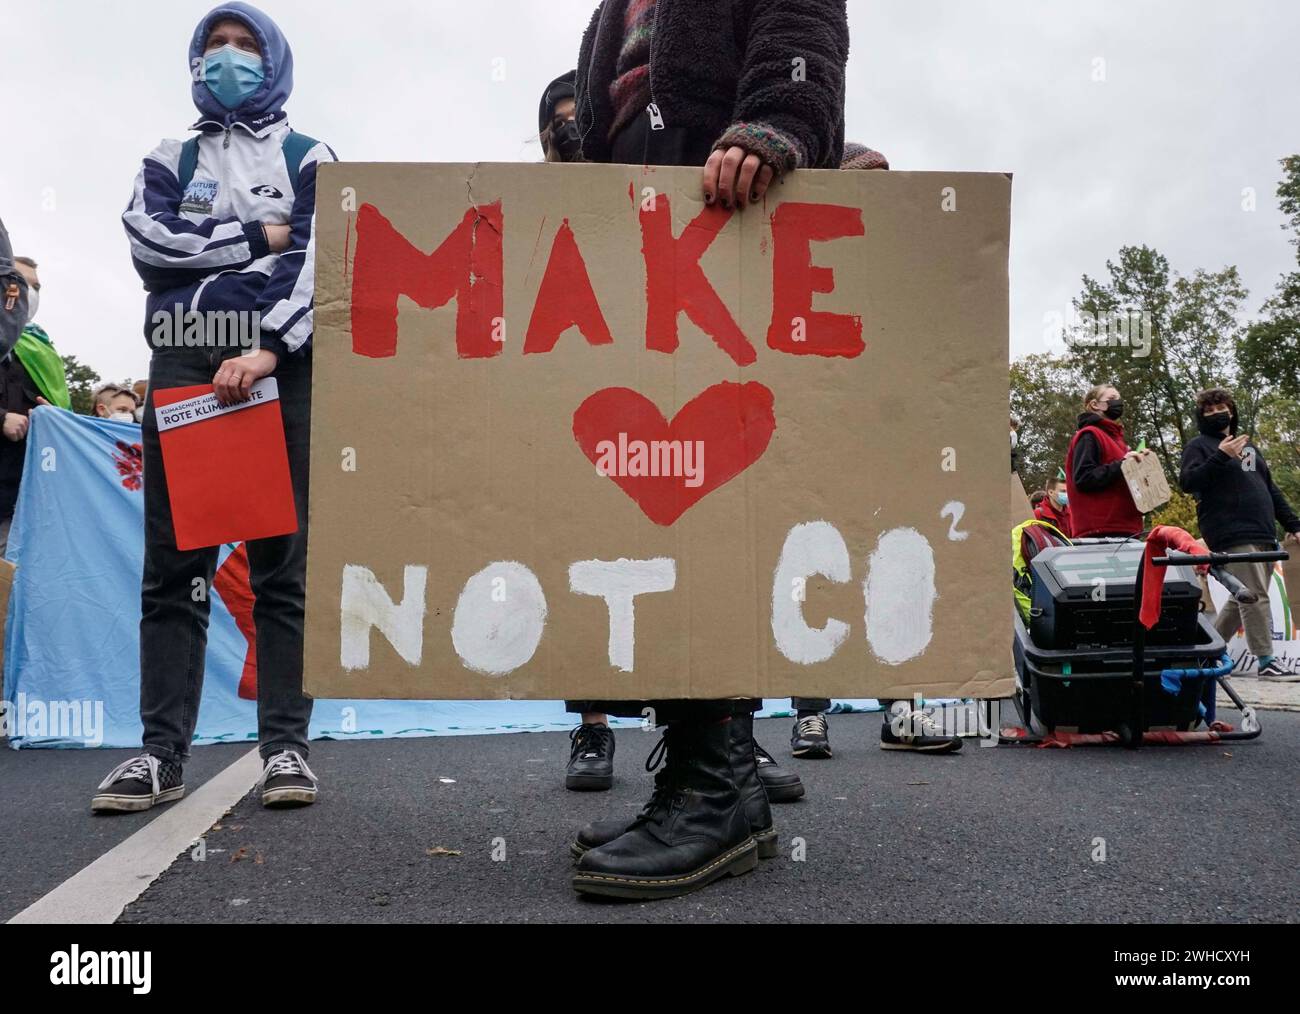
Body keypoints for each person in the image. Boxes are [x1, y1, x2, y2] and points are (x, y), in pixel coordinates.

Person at [564, 0, 847, 899]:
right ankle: (705, 772)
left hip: (719, 199)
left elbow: (801, 29)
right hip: (637, 219)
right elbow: (594, 110)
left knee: (709, 501)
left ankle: (715, 787)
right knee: (658, 507)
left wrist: (777, 127)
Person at [93, 2, 336, 813]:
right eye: (213, 46)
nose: (227, 58)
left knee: (281, 570)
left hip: (275, 367)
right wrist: (257, 238)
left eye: (244, 45)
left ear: (275, 60)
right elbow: (147, 247)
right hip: (182, 363)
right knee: (174, 571)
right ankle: (159, 756)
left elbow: (319, 255)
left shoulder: (310, 155)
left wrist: (267, 347)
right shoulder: (168, 155)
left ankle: (286, 751)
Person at [788, 143, 962, 761]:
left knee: (893, 567)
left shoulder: (895, 276)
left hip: (882, 445)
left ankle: (902, 708)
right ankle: (810, 714)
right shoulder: (796, 257)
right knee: (816, 569)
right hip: (812, 441)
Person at [1180, 388, 1300, 681]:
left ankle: (1205, 655)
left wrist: (1292, 524)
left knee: (1241, 597)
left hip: (1262, 531)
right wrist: (1220, 456)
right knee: (1254, 595)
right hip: (1229, 531)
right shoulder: (1200, 446)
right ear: (1200, 417)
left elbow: (1265, 487)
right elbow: (1188, 481)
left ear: (1231, 411)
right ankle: (1267, 661)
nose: (1215, 414)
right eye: (1208, 411)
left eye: (1220, 408)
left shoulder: (1247, 449)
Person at [0, 255, 71, 556]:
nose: (30, 293)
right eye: (21, 283)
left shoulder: (42, 349)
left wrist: (53, 420)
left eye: (36, 286)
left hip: (21, 499)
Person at [1064, 384, 1149, 539]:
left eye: (1119, 398)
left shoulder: (1119, 442)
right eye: (1111, 398)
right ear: (1095, 404)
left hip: (1127, 527)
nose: (1118, 402)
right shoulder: (1089, 435)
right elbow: (1084, 478)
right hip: (1102, 530)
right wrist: (1122, 464)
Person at [1034, 472, 1072, 537]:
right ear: (1050, 492)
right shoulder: (1038, 514)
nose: (1067, 494)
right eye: (1063, 491)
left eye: (1068, 491)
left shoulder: (1071, 513)